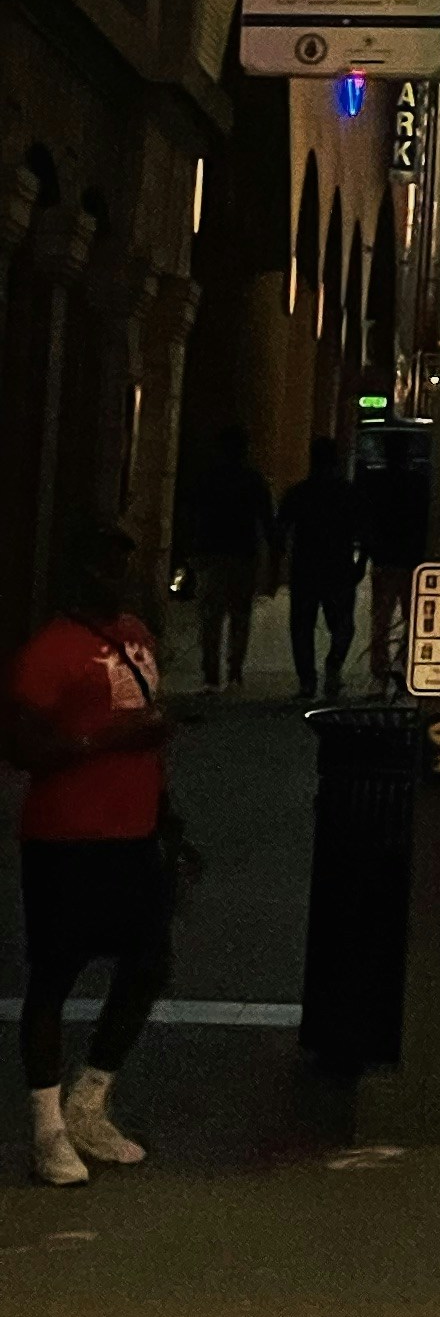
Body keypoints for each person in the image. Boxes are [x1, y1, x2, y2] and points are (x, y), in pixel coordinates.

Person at [6, 524, 171, 1185]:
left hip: (134, 829)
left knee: (149, 962)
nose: (117, 581)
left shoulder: (135, 632)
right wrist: (104, 742)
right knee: (55, 974)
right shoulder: (50, 653)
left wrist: (167, 811)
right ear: (75, 576)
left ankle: (90, 1097)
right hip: (67, 835)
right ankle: (47, 1126)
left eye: (122, 569)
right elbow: (20, 747)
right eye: (105, 569)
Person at [176, 424, 276, 692]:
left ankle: (211, 674)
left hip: (210, 552)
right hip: (242, 553)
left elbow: (188, 514)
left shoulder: (206, 478)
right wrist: (274, 562)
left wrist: (187, 552)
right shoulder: (253, 480)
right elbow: (267, 522)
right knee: (239, 615)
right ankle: (234, 672)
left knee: (210, 616)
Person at [277, 436, 362, 702]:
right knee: (343, 625)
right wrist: (362, 562)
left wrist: (281, 560)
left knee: (302, 626)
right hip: (338, 568)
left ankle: (307, 681)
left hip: (306, 568)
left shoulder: (299, 492)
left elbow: (281, 530)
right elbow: (366, 531)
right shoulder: (348, 493)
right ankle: (333, 668)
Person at [357, 439, 430, 688]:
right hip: (412, 561)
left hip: (386, 559)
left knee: (381, 619)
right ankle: (407, 664)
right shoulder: (418, 484)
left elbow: (369, 523)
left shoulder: (377, 484)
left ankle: (380, 671)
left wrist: (366, 557)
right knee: (414, 618)